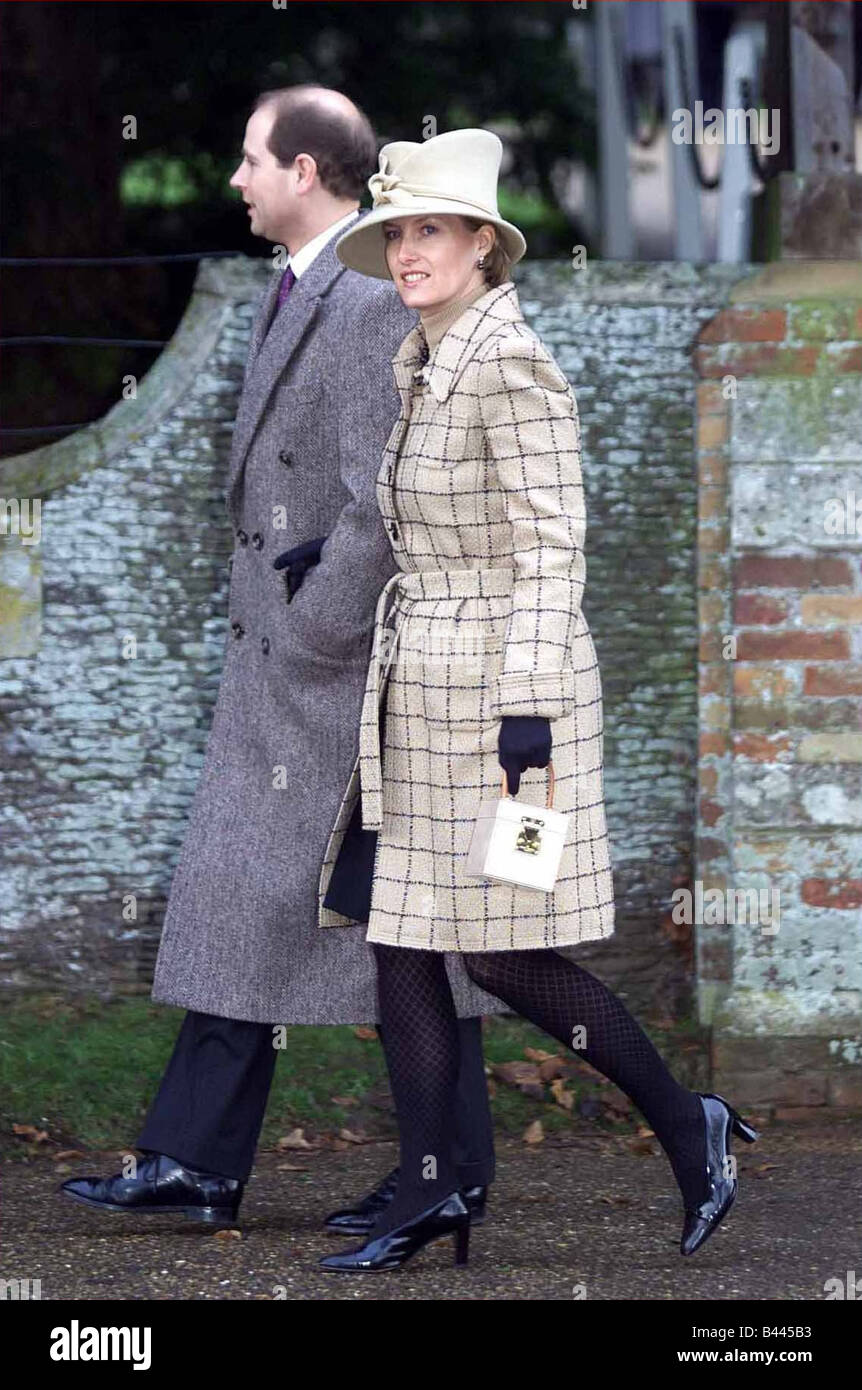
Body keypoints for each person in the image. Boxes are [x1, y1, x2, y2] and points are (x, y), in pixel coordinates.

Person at [59, 89, 507, 1233]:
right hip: (285, 665)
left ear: (305, 170)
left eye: (249, 160)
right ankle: (194, 1158)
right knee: (244, 895)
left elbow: (379, 498)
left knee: (404, 922)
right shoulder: (309, 288)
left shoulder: (362, 298)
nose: (235, 180)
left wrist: (315, 622)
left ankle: (447, 1171)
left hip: (337, 670)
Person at [314, 128, 759, 1274]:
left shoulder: (508, 361)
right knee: (402, 940)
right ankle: (433, 1186)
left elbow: (554, 549)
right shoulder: (427, 356)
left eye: (428, 231)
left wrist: (525, 715)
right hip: (420, 687)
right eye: (396, 232)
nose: (408, 251)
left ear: (480, 246)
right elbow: (434, 527)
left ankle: (686, 1124)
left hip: (506, 702)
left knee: (508, 952)